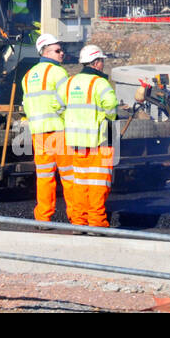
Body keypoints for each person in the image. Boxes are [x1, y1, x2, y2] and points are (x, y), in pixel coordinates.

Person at [60, 44, 119, 227]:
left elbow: (58, 106)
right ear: (96, 63)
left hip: (75, 141)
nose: (103, 65)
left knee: (80, 182)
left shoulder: (69, 82)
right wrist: (106, 118)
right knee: (98, 183)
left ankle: (79, 221)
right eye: (101, 61)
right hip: (98, 140)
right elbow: (111, 107)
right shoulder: (100, 83)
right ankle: (96, 222)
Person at [20, 33, 69, 222]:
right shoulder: (59, 73)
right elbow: (66, 102)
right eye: (57, 50)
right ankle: (77, 218)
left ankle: (43, 217)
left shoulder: (27, 76)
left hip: (38, 134)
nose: (61, 53)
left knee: (44, 177)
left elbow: (26, 105)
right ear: (45, 52)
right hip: (59, 131)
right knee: (69, 177)